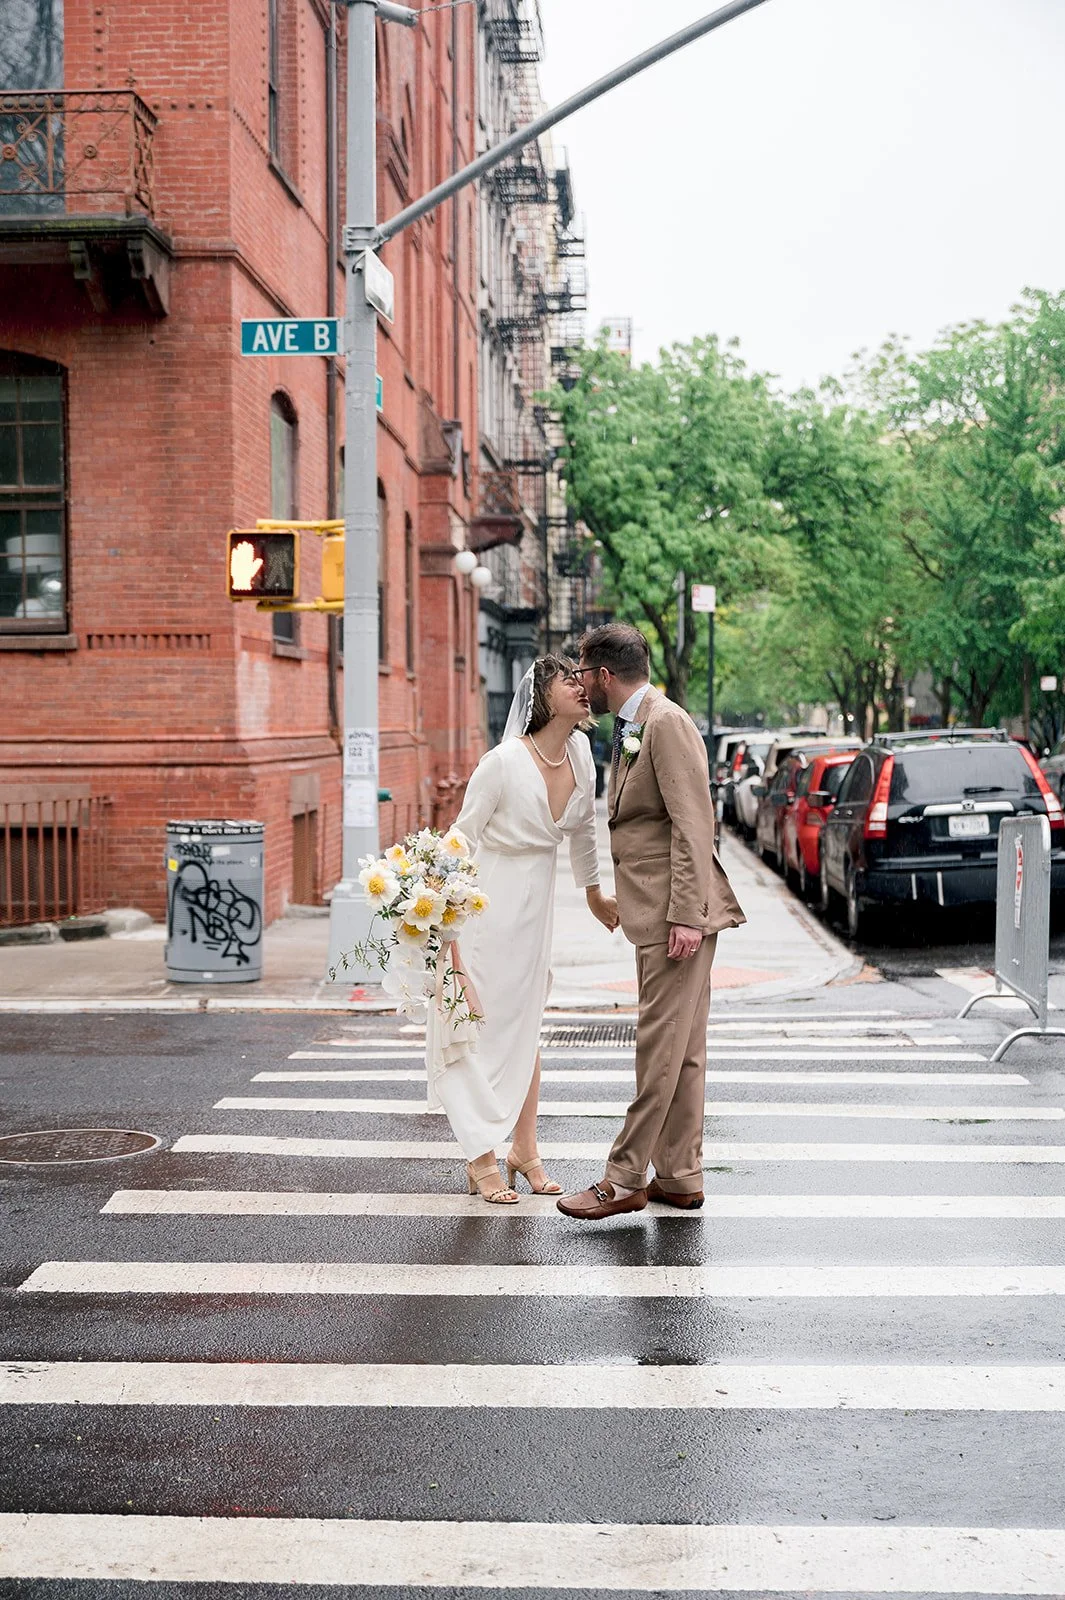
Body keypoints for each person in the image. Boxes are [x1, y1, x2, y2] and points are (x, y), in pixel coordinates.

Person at [557, 623, 746, 1220]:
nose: (582, 685)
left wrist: (687, 916)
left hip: (674, 914)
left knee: (658, 1047)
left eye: (584, 673)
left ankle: (624, 1176)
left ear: (605, 675)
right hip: (657, 909)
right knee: (683, 1049)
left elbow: (695, 825)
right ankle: (681, 1175)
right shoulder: (637, 725)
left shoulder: (665, 723)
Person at [427, 655, 619, 1203]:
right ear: (541, 697)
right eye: (569, 681)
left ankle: (524, 1150)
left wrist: (593, 894)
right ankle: (481, 1158)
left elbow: (582, 831)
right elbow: (460, 843)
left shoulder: (582, 753)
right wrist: (445, 934)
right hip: (487, 905)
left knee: (526, 1027)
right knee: (478, 1029)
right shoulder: (502, 763)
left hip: (537, 910)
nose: (583, 688)